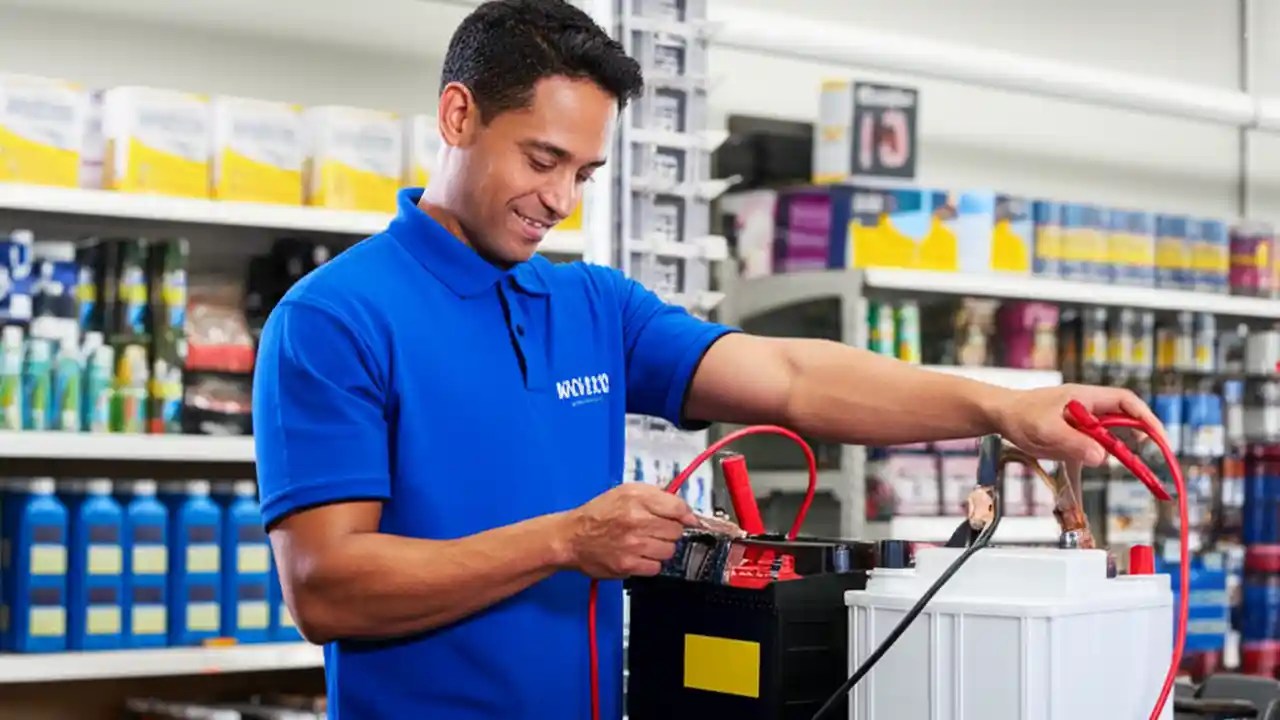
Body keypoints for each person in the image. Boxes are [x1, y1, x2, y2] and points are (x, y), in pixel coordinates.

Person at [251, 0, 1163, 718]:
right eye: (542, 158)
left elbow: (794, 379)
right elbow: (329, 590)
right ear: (458, 115)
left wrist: (1002, 407)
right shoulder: (336, 319)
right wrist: (570, 540)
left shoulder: (591, 305)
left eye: (584, 174)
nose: (561, 198)